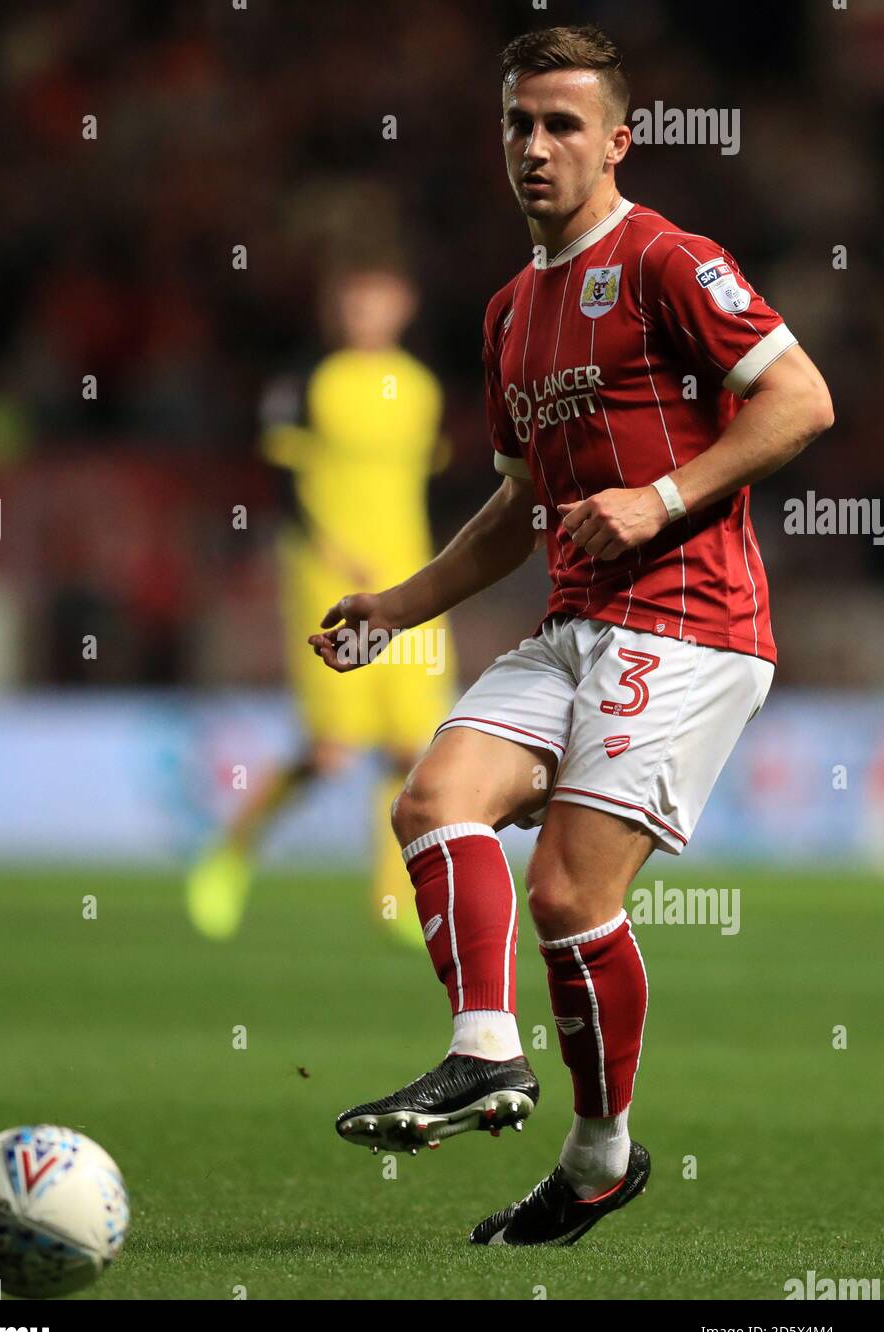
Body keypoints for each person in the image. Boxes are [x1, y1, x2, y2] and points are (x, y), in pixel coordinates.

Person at [310, 24, 833, 1246]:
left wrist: (657, 498)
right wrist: (397, 605)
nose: (534, 146)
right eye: (515, 124)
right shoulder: (508, 314)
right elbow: (515, 511)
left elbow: (799, 398)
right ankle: (486, 1055)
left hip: (693, 619)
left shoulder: (663, 259)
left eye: (559, 123)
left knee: (562, 894)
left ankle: (597, 1156)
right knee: (432, 800)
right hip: (574, 622)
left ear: (615, 138)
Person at [187, 260, 454, 946]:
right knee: (333, 752)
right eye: (353, 299)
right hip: (326, 578)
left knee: (411, 748)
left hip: (411, 581)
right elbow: (281, 485)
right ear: (337, 307)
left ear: (404, 302)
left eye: (378, 297)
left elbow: (430, 488)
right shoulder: (307, 381)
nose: (365, 311)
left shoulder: (421, 389)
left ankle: (394, 897)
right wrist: (330, 550)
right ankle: (232, 853)